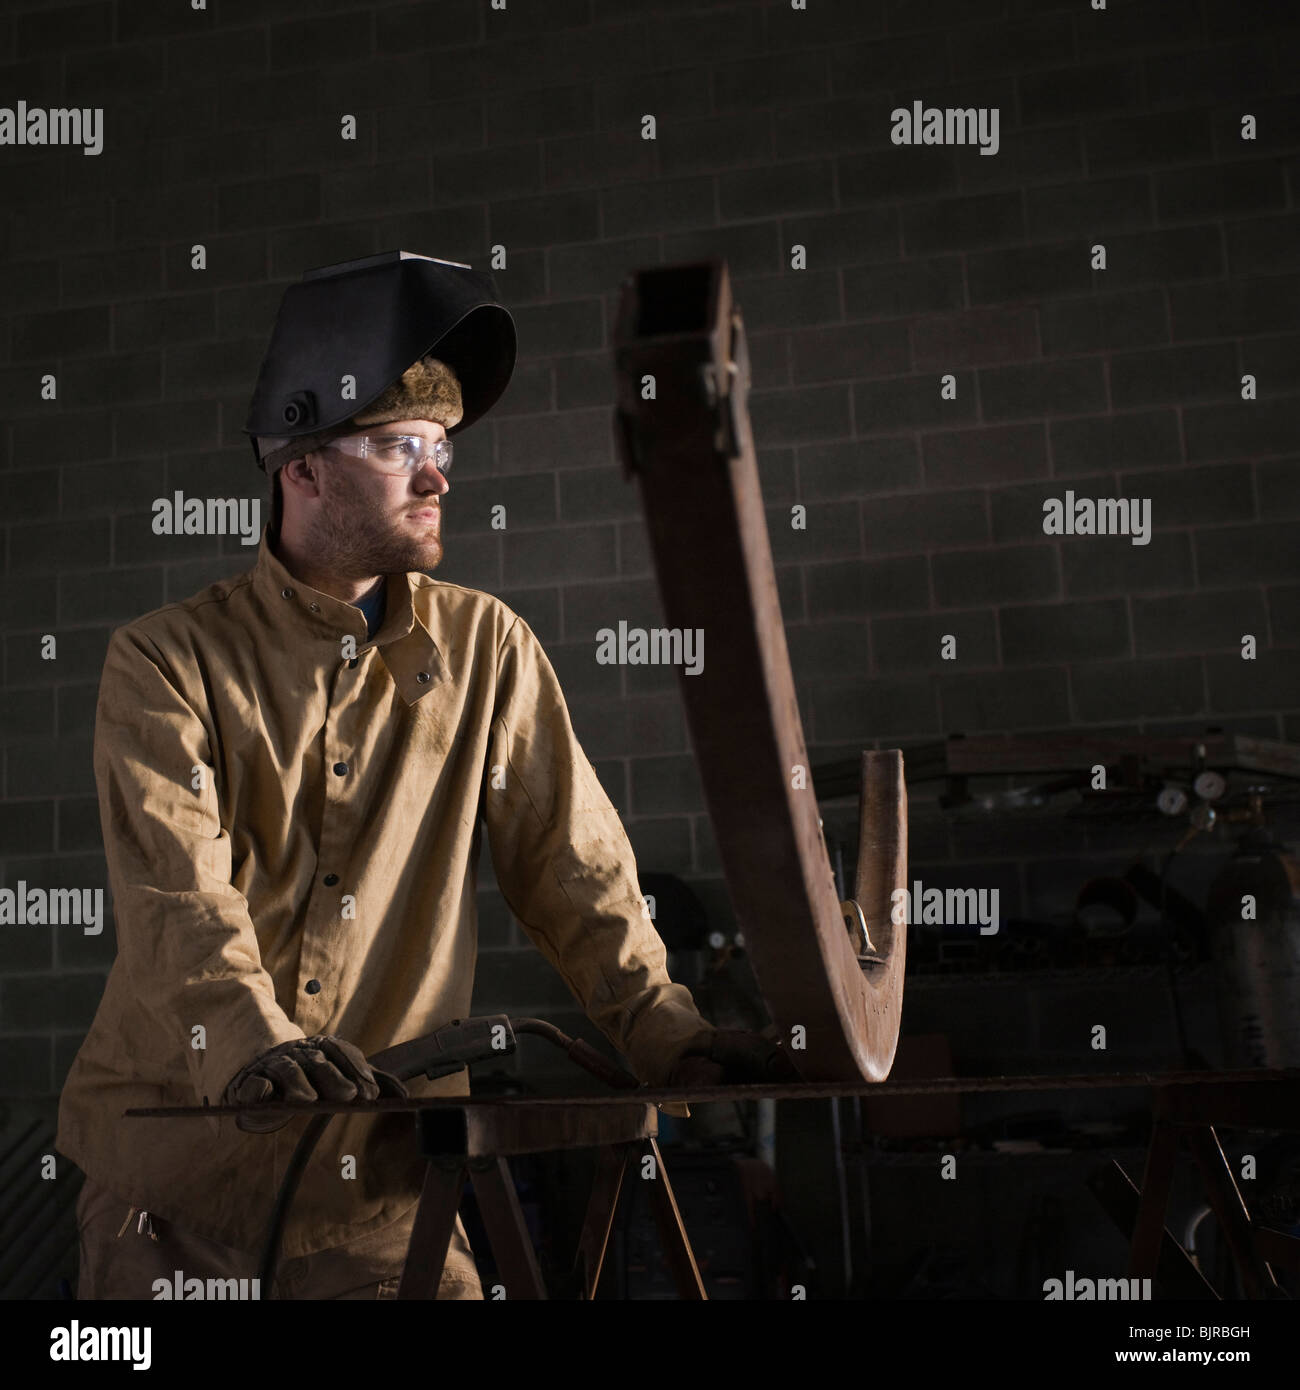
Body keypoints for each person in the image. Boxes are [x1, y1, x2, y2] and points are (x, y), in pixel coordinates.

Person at [56, 251, 792, 1302]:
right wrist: (254, 1044)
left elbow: (572, 871)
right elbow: (177, 892)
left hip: (374, 1200)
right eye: (402, 446)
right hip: (173, 1195)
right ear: (301, 467)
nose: (439, 476)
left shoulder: (488, 652)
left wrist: (665, 1033)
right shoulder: (165, 662)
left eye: (440, 446)